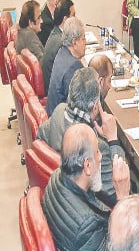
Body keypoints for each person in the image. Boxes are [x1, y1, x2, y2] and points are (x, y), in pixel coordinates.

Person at [38, 67, 124, 207]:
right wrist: (113, 141)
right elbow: (116, 194)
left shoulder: (59, 111)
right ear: (96, 106)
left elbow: (39, 136)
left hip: (64, 197)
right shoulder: (97, 147)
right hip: (92, 208)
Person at [46, 16, 86, 115]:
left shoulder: (61, 52)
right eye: (83, 39)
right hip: (62, 124)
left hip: (54, 115)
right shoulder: (74, 67)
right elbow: (81, 106)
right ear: (74, 42)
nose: (86, 42)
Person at [41, 0, 75, 92]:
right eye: (73, 15)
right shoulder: (61, 43)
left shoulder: (55, 32)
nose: (75, 18)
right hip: (56, 93)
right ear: (65, 19)